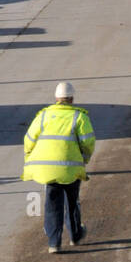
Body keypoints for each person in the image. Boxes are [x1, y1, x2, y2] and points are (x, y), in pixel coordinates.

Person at [22, 81, 95, 252]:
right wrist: (83, 160)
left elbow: (29, 140)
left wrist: (30, 158)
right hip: (70, 168)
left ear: (56, 98)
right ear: (71, 99)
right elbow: (88, 143)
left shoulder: (43, 116)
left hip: (48, 170)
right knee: (72, 201)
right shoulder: (79, 117)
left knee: (52, 203)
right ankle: (75, 236)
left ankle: (54, 243)